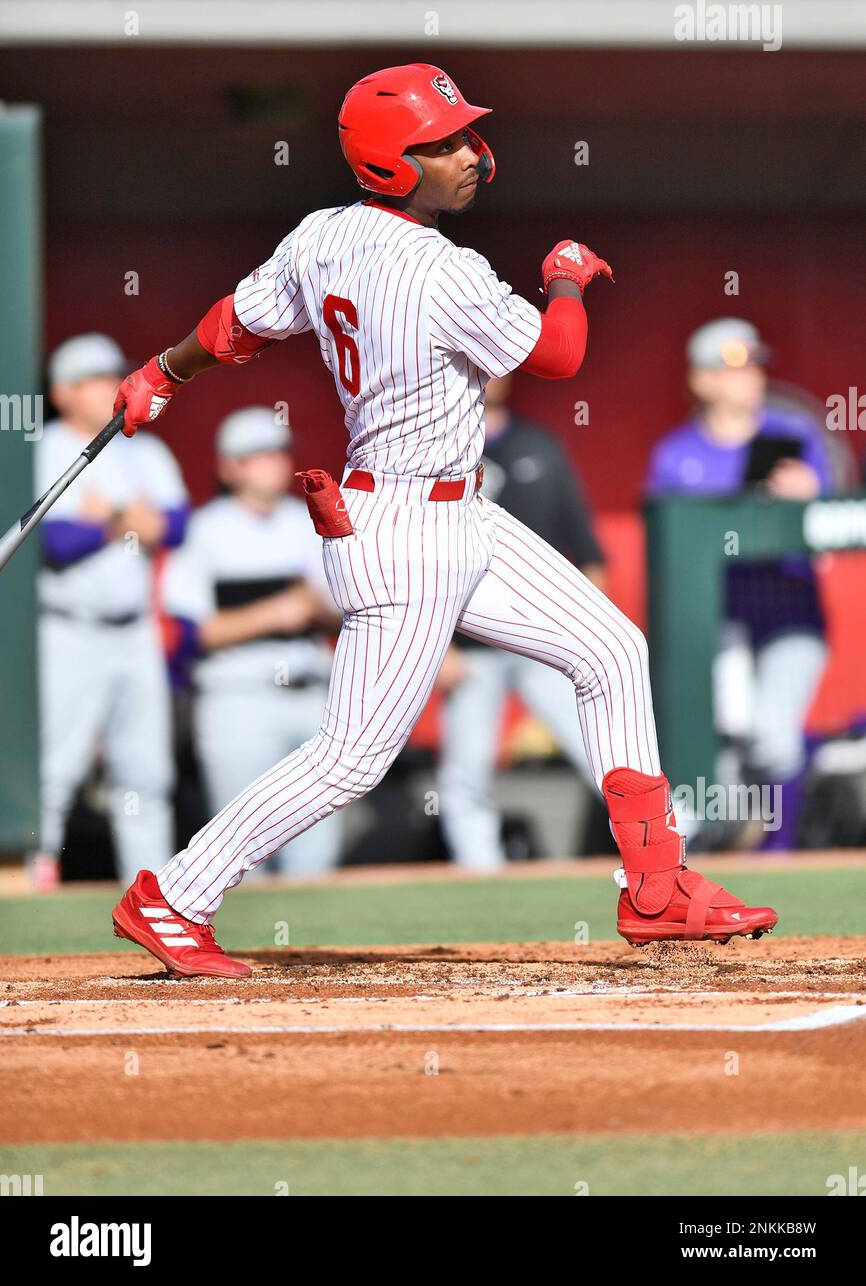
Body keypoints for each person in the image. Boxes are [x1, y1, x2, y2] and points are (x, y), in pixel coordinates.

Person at [109, 63, 777, 976]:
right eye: (443, 143)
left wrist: (162, 371)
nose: (469, 153)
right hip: (400, 532)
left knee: (612, 650)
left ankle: (656, 886)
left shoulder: (320, 236)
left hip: (459, 512)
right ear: (390, 164)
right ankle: (176, 895)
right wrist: (567, 276)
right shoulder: (440, 269)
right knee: (352, 759)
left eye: (464, 135)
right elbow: (558, 355)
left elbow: (237, 325)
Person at [647, 317, 832, 849]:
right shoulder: (677, 454)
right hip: (716, 622)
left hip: (788, 610)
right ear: (702, 379)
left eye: (753, 364)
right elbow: (668, 545)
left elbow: (837, 522)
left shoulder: (794, 439)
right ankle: (728, 851)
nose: (747, 376)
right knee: (719, 747)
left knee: (773, 737)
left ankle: (783, 849)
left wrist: (811, 496)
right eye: (732, 366)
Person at [33, 334, 189, 890]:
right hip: (68, 629)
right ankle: (34, 882)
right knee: (54, 768)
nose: (108, 387)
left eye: (111, 376)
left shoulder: (142, 448)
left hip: (134, 630)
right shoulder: (43, 446)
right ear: (63, 392)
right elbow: (53, 543)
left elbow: (175, 525)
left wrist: (109, 518)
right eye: (94, 379)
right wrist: (123, 520)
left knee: (145, 772)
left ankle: (149, 891)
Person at [161, 407, 344, 876]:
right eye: (258, 455)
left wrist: (312, 608)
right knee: (242, 850)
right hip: (238, 696)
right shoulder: (206, 528)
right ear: (230, 466)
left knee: (316, 855)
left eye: (278, 453)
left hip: (309, 692)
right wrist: (276, 612)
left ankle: (308, 950)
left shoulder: (306, 522)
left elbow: (343, 611)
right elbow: (190, 632)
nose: (274, 463)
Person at [436, 372, 605, 866]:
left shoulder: (540, 447)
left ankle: (674, 837)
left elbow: (589, 552)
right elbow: (415, 556)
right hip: (467, 647)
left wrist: (588, 633)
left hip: (539, 637)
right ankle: (483, 878)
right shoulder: (429, 447)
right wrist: (436, 644)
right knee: (465, 769)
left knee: (597, 744)